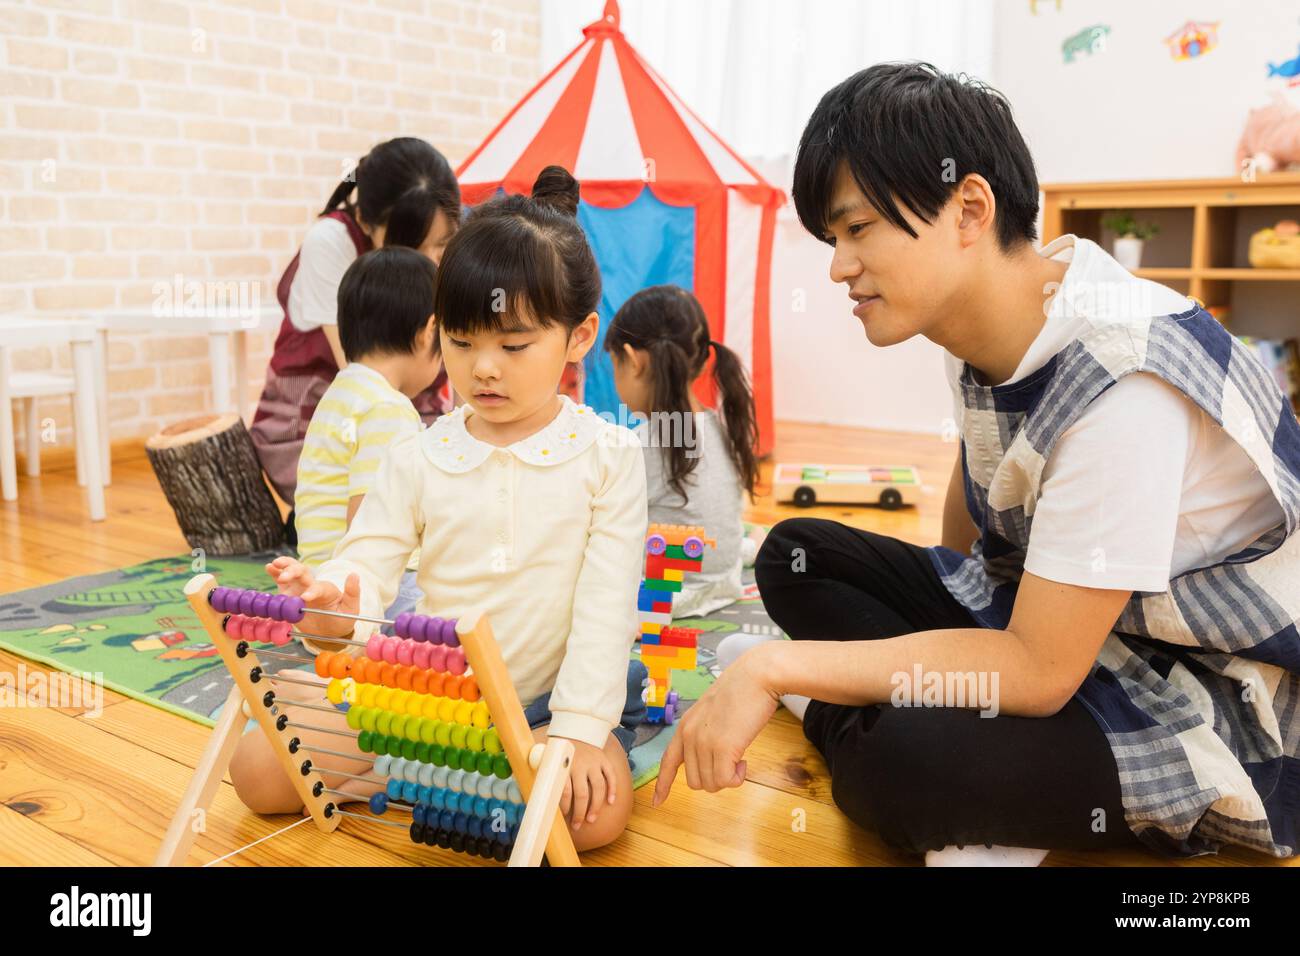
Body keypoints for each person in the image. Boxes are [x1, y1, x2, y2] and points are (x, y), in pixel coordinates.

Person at [654, 62, 1300, 866]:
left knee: (908, 763)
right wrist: (949, 651)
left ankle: (922, 759)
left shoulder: (1123, 380)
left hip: (1196, 685)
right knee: (796, 556)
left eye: (858, 230)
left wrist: (778, 669)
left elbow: (1037, 671)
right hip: (1061, 624)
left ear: (968, 208)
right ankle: (956, 762)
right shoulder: (989, 315)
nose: (837, 266)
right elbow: (974, 533)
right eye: (833, 237)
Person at [232, 166, 650, 852]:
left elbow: (607, 607)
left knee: (592, 816)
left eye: (513, 346)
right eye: (461, 342)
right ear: (437, 333)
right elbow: (369, 559)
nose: (484, 368)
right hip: (430, 704)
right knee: (257, 771)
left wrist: (579, 728)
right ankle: (428, 774)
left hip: (548, 706)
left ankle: (441, 781)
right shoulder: (417, 453)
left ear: (578, 339)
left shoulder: (609, 456)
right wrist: (336, 600)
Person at [250, 137, 461, 522]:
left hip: (407, 407)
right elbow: (362, 376)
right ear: (366, 222)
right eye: (413, 247)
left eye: (442, 245)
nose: (430, 261)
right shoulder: (330, 242)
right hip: (315, 423)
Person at [292, 247, 440, 641]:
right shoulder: (387, 409)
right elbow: (367, 524)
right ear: (429, 332)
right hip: (362, 598)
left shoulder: (342, 393)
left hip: (324, 589)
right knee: (464, 606)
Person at [606, 284, 764, 617]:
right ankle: (745, 547)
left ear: (634, 361)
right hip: (726, 579)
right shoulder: (721, 423)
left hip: (668, 596)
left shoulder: (646, 442)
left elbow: (611, 524)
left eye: (615, 365)